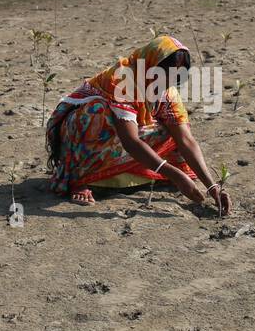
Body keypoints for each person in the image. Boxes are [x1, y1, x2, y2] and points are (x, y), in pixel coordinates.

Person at [45, 35, 232, 215]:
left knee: (170, 131)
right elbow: (131, 141)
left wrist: (212, 186)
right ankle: (79, 179)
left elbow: (186, 140)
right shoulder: (122, 80)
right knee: (97, 112)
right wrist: (175, 175)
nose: (167, 83)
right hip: (80, 136)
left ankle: (123, 177)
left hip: (118, 137)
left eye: (176, 77)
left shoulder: (167, 92)